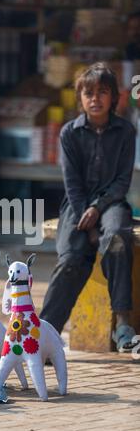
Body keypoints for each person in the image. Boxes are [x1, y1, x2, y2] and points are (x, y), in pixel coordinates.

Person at [40, 63, 138, 352]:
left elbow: (122, 181)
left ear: (114, 98)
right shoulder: (70, 133)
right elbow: (72, 183)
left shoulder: (126, 131)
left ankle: (123, 325)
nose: (95, 98)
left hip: (112, 203)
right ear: (80, 98)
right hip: (76, 203)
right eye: (89, 93)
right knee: (72, 258)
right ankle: (45, 336)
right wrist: (87, 215)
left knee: (118, 240)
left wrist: (97, 210)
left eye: (103, 92)